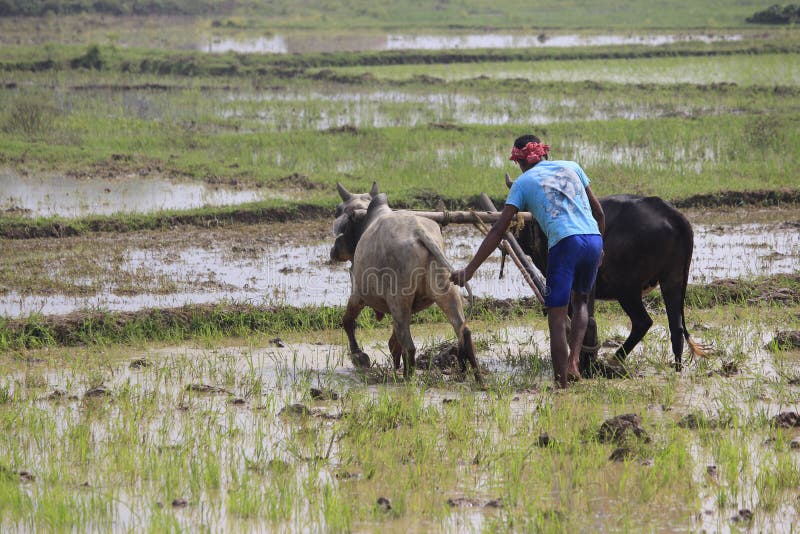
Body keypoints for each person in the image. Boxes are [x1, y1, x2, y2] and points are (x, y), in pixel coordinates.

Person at [451, 134, 605, 388]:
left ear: (521, 163)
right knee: (581, 302)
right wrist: (601, 247)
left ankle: (561, 386)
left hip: (566, 243)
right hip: (593, 238)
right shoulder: (572, 166)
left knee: (556, 316)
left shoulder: (522, 183)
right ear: (545, 154)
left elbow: (499, 230)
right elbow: (599, 212)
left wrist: (469, 270)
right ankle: (574, 361)